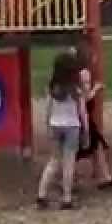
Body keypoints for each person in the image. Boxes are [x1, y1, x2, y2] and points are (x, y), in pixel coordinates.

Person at [37, 51, 87, 210]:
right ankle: (66, 199)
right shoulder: (76, 89)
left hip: (54, 124)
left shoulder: (52, 88)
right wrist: (86, 129)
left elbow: (48, 109)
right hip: (72, 126)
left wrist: (47, 125)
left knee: (53, 161)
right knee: (69, 163)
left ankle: (41, 195)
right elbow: (82, 112)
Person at [74, 42, 112, 190]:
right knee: (83, 148)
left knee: (95, 146)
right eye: (93, 56)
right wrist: (96, 89)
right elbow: (84, 97)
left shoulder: (78, 72)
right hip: (83, 115)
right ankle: (103, 177)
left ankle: (104, 177)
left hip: (83, 115)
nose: (95, 58)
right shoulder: (84, 73)